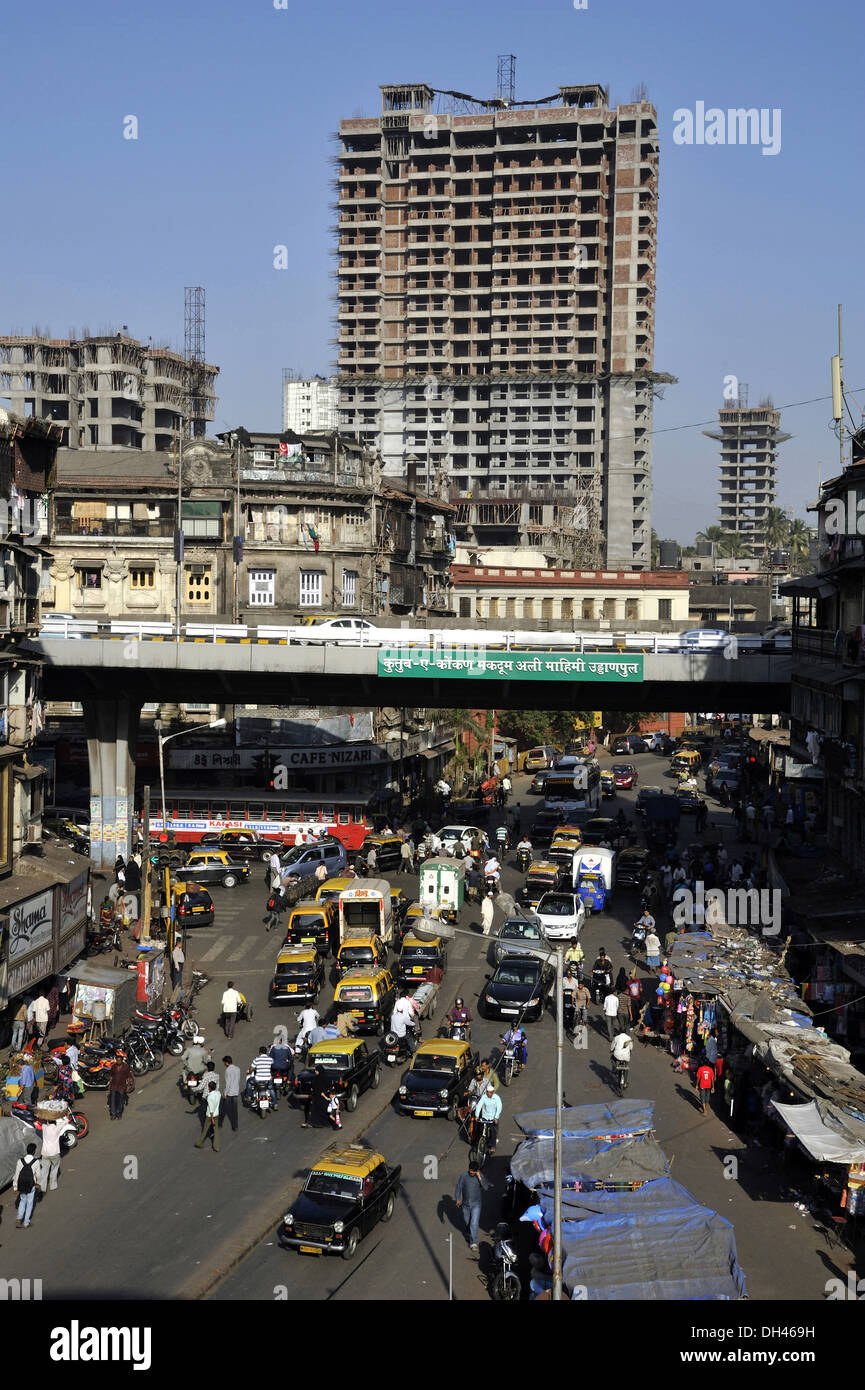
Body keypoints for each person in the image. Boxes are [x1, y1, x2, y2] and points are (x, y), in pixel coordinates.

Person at [454, 1159, 489, 1252]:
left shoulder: (480, 1176)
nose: (471, 1172)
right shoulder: (464, 1176)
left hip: (476, 1204)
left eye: (474, 1171)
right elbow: (459, 1187)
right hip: (465, 1204)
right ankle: (468, 1232)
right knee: (467, 1221)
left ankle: (473, 1242)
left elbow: (486, 1187)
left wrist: (479, 1177)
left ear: (477, 1170)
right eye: (470, 1170)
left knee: (474, 1223)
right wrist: (457, 1198)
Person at [13, 1142, 41, 1227]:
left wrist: (15, 1186)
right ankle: (26, 1223)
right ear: (34, 1151)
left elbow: (16, 1174)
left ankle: (19, 1217)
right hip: (31, 1185)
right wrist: (38, 1183)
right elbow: (38, 1175)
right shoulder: (36, 1162)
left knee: (22, 1200)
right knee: (29, 1203)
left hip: (21, 1185)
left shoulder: (20, 1161)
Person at [472, 1084, 503, 1156]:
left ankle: (492, 1146)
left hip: (493, 1118)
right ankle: (477, 1143)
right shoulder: (484, 1097)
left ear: (493, 1092)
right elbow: (479, 1105)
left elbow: (499, 1107)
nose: (489, 1094)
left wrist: (496, 1117)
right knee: (479, 1129)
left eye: (491, 1092)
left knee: (493, 1131)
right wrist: (476, 1115)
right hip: (484, 1117)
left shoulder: (497, 1098)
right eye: (488, 1092)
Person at [195, 1081, 221, 1150]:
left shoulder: (209, 1097)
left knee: (205, 1130)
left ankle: (199, 1143)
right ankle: (216, 1147)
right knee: (216, 1131)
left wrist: (212, 1118)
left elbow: (211, 1109)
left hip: (210, 1116)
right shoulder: (218, 1093)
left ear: (209, 1088)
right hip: (217, 1114)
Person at [39, 1118, 64, 1192]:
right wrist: (67, 1115)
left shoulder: (44, 1127)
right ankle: (53, 1185)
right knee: (54, 1169)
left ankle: (42, 1188)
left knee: (44, 1171)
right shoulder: (57, 1128)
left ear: (48, 1122)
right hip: (55, 1153)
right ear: (55, 1122)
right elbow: (65, 1122)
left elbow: (41, 1121)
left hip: (45, 1153)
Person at [108, 1055, 133, 1120]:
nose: (118, 1061)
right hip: (114, 1086)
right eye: (117, 1060)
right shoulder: (113, 1067)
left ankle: (119, 1114)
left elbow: (129, 1077)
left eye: (119, 1060)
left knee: (120, 1101)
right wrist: (109, 1084)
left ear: (122, 1060)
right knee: (112, 1100)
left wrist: (128, 1086)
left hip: (122, 1086)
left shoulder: (126, 1067)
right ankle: (113, 1114)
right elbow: (111, 1076)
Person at [221, 1055, 241, 1132]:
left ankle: (220, 1123)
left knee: (224, 1108)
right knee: (234, 1110)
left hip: (229, 1093)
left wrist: (225, 1094)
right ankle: (235, 1125)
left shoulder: (228, 1070)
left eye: (224, 1063)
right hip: (235, 1091)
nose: (224, 1064)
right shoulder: (238, 1069)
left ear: (226, 1063)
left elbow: (228, 1083)